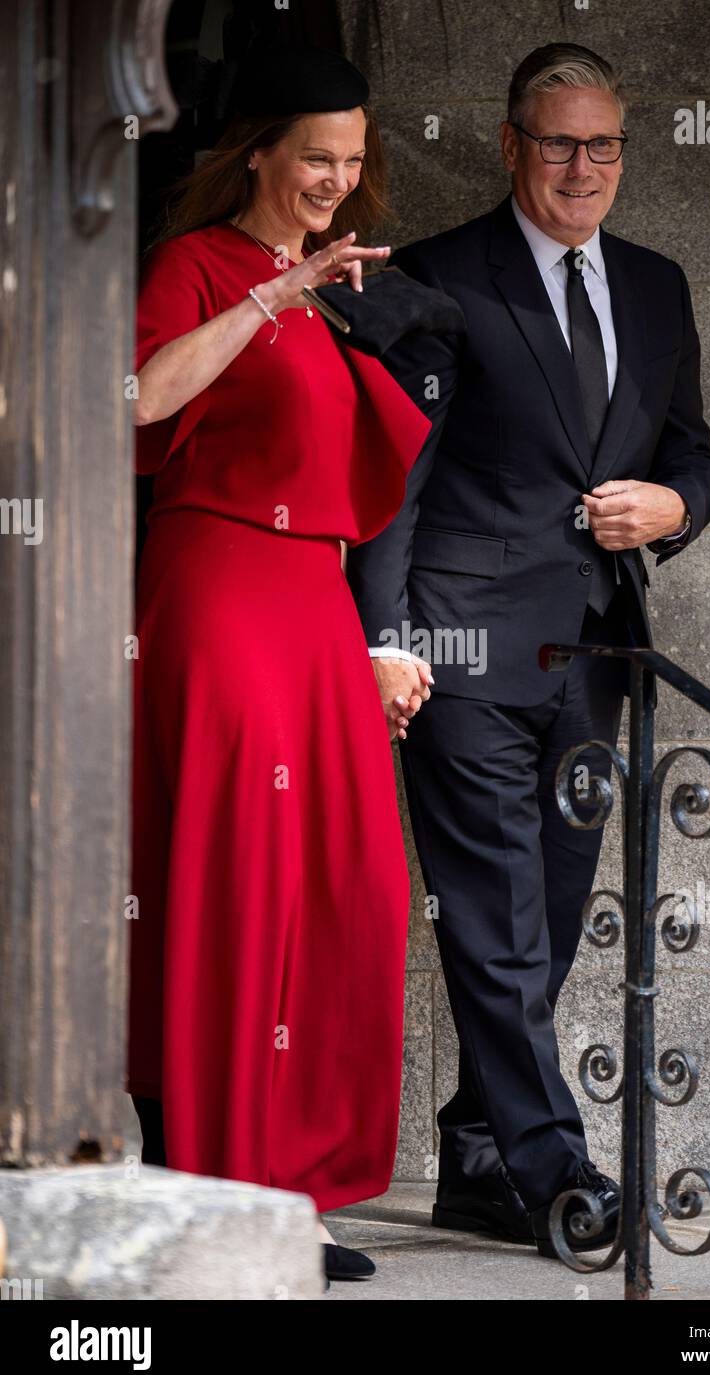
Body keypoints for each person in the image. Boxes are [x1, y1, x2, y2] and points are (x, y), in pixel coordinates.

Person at [347, 43, 710, 1259]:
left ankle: (473, 1152)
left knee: (548, 919)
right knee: (499, 921)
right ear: (512, 145)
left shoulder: (659, 285)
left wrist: (673, 508)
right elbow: (391, 481)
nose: (581, 166)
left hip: (593, 656)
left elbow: (691, 451)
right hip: (458, 655)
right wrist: (384, 640)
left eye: (602, 144)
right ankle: (559, 1169)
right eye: (557, 142)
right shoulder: (439, 276)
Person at [126, 42, 433, 1285]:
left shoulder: (343, 282)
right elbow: (137, 398)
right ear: (258, 149)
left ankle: (299, 1186)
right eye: (317, 156)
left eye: (353, 162)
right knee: (235, 880)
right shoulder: (196, 264)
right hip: (215, 584)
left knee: (343, 883)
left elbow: (361, 485)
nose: (336, 179)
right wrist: (268, 298)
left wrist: (375, 641)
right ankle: (218, 1191)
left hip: (313, 603)